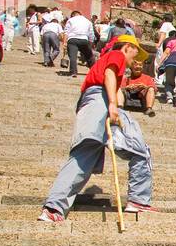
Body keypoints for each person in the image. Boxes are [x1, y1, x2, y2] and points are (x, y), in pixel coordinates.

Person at [38, 34, 157, 223]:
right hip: (100, 101)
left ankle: (54, 207)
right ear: (127, 47)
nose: (135, 60)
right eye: (135, 53)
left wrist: (117, 106)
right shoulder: (116, 56)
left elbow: (114, 86)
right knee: (139, 150)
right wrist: (111, 104)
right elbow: (109, 75)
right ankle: (138, 200)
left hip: (90, 103)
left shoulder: (106, 61)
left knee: (85, 154)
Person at [63, 9, 96, 78]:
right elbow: (91, 34)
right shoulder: (87, 21)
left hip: (72, 39)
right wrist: (90, 44)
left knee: (73, 57)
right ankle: (95, 71)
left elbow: (66, 32)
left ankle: (73, 72)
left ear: (73, 15)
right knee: (89, 56)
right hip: (84, 39)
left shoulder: (70, 20)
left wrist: (64, 42)